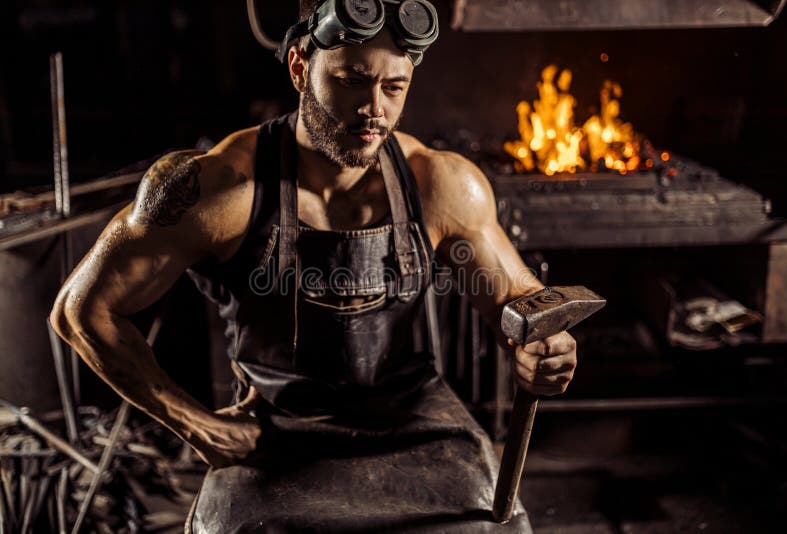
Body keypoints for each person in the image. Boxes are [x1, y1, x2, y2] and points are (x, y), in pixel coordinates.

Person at [50, 1, 577, 531]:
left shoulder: (442, 184)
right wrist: (198, 426)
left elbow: (519, 303)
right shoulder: (221, 191)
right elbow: (81, 311)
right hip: (274, 430)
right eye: (352, 80)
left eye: (394, 88)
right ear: (301, 67)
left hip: (417, 422)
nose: (375, 109)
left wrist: (539, 346)